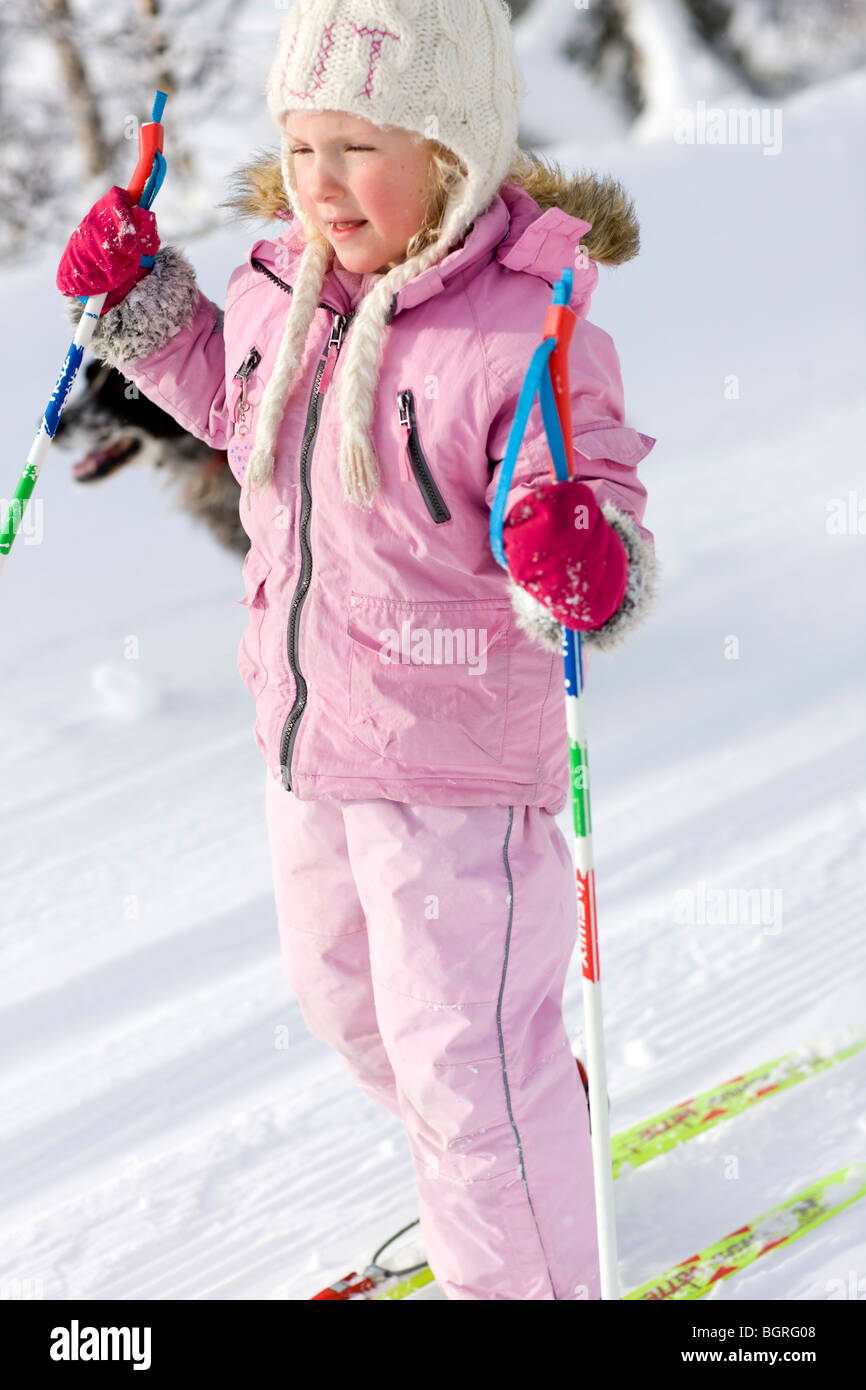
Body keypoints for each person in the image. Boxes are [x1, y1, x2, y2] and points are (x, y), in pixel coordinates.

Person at [57, 0, 659, 1300]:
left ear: (450, 156)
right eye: (303, 144)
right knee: (350, 1003)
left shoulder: (523, 333)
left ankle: (525, 1263)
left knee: (458, 1060)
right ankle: (524, 1120)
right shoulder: (284, 287)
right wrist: (141, 308)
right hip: (311, 742)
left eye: (358, 148)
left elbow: (585, 494)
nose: (319, 183)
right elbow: (234, 410)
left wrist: (576, 548)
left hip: (454, 776)